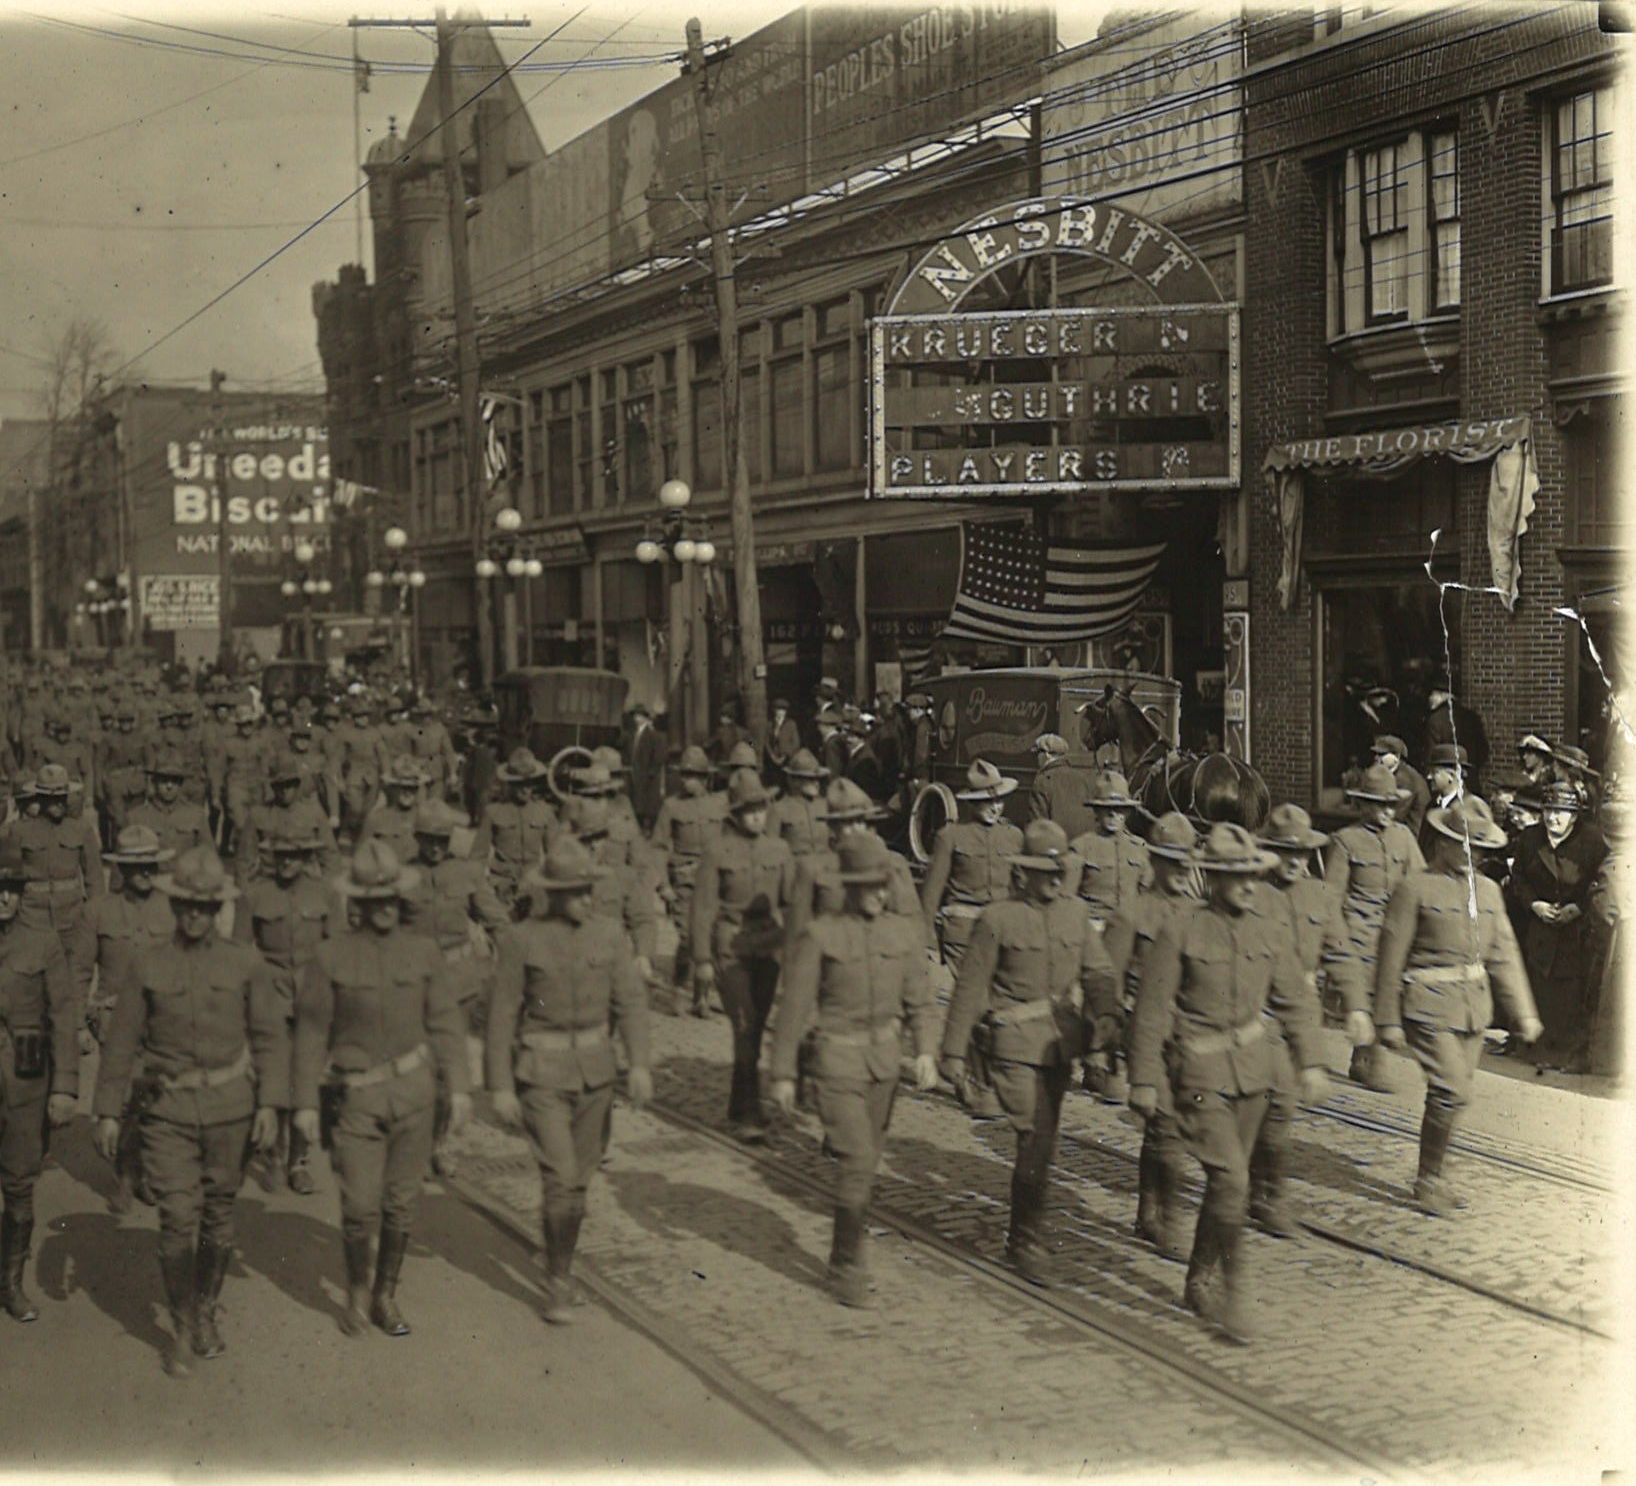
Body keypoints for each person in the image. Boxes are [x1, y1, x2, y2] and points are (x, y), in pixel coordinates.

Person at [92, 847, 288, 1376]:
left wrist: (271, 1101)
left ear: (219, 907)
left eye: (205, 907)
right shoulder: (148, 963)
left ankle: (204, 1309)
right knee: (178, 1215)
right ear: (174, 905)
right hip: (168, 1110)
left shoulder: (245, 963)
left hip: (230, 1109)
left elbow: (270, 1038)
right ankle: (180, 1324)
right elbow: (121, 1042)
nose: (195, 916)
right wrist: (108, 1110)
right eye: (186, 906)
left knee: (220, 1215)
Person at [1128, 824, 1327, 1344]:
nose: (1248, 884)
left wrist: (1311, 1060)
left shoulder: (1268, 928)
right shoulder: (1182, 930)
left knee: (1225, 1184)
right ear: (1212, 879)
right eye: (1236, 876)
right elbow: (1150, 1010)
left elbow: (1294, 999)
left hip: (1254, 1075)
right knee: (1234, 1181)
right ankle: (1235, 1296)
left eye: (1253, 875)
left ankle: (1199, 1276)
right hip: (1198, 1075)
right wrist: (1145, 1079)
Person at [291, 841, 469, 1338]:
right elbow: (310, 1032)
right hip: (355, 1099)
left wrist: (459, 1087)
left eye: (392, 897)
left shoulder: (423, 951)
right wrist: (304, 1101)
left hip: (414, 1093)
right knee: (360, 1205)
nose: (386, 907)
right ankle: (355, 1288)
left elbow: (445, 1021)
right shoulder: (330, 957)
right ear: (359, 904)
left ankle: (385, 1294)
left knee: (401, 1202)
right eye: (376, 899)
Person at [940, 820, 1117, 1287]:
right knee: (1034, 1136)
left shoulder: (1076, 916)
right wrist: (953, 1054)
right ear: (1025, 873)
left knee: (1045, 1139)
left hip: (1059, 1044)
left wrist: (1106, 1014)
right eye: (1046, 871)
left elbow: (1098, 972)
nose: (1057, 878)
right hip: (1014, 1045)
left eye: (1061, 869)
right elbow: (970, 987)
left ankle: (1024, 1229)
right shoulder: (997, 920)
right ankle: (1025, 1241)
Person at [769, 833, 940, 1307]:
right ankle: (848, 1264)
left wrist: (925, 1050)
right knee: (859, 1159)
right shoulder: (820, 936)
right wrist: (782, 1072)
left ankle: (844, 1251)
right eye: (868, 885)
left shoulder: (901, 935)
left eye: (883, 885)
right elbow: (794, 1008)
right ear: (848, 885)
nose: (879, 893)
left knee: (867, 1164)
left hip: (884, 1065)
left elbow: (919, 1000)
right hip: (837, 1063)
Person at [489, 837, 652, 1323]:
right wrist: (499, 1085)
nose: (588, 898)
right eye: (578, 891)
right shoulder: (522, 940)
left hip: (597, 1074)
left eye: (590, 889)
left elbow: (630, 1002)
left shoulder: (609, 936)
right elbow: (501, 1014)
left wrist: (639, 1063)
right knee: (560, 1176)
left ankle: (561, 1259)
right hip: (542, 1074)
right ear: (555, 894)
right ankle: (557, 1280)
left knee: (578, 1181)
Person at [1375, 796, 1542, 1213]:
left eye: (1481, 849)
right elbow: (1391, 956)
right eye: (1464, 845)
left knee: (1451, 1094)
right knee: (1452, 1087)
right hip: (1426, 1008)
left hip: (1472, 1010)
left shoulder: (1487, 891)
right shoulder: (1414, 887)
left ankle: (1432, 1176)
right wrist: (1387, 1020)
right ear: (1443, 844)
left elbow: (1503, 951)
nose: (1473, 855)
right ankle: (1429, 1181)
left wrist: (1523, 1012)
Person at [1101, 812, 1198, 1259]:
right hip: (1142, 1028)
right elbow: (1108, 979)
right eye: (1172, 862)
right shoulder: (1131, 913)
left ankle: (1147, 1211)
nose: (1182, 871)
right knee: (1168, 1125)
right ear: (1155, 863)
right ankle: (1171, 1223)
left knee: (1164, 1125)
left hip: (1188, 1033)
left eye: (1187, 862)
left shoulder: (1198, 913)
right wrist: (1108, 1040)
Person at [1252, 805, 1350, 1238]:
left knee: (1278, 1108)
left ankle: (1266, 1194)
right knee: (1268, 1105)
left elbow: (1340, 953)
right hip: (1257, 1015)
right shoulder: (1249, 893)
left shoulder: (1321, 897)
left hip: (1299, 1014)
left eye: (1302, 854)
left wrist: (1359, 1008)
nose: (1293, 862)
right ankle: (1258, 1190)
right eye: (1282, 852)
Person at [692, 768, 796, 1141]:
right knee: (745, 1025)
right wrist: (702, 959)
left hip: (768, 949)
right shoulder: (716, 851)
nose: (757, 816)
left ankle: (740, 1104)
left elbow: (791, 901)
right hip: (731, 948)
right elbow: (703, 907)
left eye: (761, 808)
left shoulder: (779, 850)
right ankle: (750, 1115)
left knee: (755, 1024)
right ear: (734, 814)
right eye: (749, 810)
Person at [919, 759, 1024, 1118]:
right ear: (972, 802)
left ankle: (986, 1076)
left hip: (1003, 932)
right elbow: (932, 893)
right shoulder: (951, 838)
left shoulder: (1014, 837)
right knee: (977, 1006)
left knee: (999, 1007)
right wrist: (927, 943)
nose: (994, 807)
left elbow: (1020, 891)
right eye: (985, 801)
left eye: (999, 800)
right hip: (963, 934)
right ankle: (973, 1082)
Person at [233, 827, 334, 1195]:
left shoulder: (324, 894)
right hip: (270, 993)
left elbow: (336, 948)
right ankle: (275, 1155)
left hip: (312, 993)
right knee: (272, 1074)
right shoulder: (255, 894)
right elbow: (240, 951)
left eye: (296, 853)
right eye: (281, 853)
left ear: (308, 855)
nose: (288, 860)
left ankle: (300, 1160)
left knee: (307, 1076)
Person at [0, 841, 76, 1323]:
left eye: (11, 889)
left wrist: (65, 1086)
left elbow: (64, 1015)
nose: (3, 899)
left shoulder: (43, 941)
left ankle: (10, 1283)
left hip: (25, 1074)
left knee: (20, 1180)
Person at [1324, 762, 1425, 1093]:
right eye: (1379, 805)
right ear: (1364, 805)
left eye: (1391, 805)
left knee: (1393, 986)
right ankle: (1369, 1061)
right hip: (1361, 929)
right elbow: (1332, 897)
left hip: (1394, 928)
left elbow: (1420, 882)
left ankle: (1364, 1058)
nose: (1386, 812)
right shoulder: (1345, 841)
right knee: (1368, 989)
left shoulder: (1405, 837)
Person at [1505, 783, 1607, 1073]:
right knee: (1540, 983)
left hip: (1576, 930)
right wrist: (1534, 904)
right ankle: (1539, 1047)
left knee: (1571, 989)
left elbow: (1600, 881)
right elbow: (1519, 878)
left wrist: (1578, 908)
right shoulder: (1529, 839)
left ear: (1574, 817)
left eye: (1561, 812)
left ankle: (1568, 1051)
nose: (1552, 818)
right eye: (1548, 811)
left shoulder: (1592, 841)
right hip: (1540, 927)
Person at [1066, 770, 1152, 1099]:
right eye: (1107, 810)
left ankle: (1116, 1057)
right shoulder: (1082, 847)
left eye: (1119, 810)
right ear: (1097, 812)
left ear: (1127, 812)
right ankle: (1094, 1061)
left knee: (1128, 996)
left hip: (1129, 931)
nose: (1114, 816)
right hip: (1095, 928)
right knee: (1095, 995)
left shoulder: (1140, 849)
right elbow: (1070, 898)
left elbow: (1147, 895)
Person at [4, 763, 103, 1022]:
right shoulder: (19, 831)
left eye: (61, 796)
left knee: (72, 979)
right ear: (39, 797)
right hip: (32, 916)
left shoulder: (81, 830)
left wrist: (95, 919)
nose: (58, 803)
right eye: (51, 797)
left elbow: (94, 879)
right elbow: (6, 880)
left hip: (72, 916)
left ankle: (69, 1034)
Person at [650, 746, 727, 1015]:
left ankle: (702, 996)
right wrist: (663, 885)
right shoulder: (671, 806)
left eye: (693, 775)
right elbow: (658, 846)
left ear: (705, 778)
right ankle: (677, 991)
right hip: (684, 881)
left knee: (712, 937)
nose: (687, 780)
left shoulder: (720, 804)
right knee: (686, 938)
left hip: (715, 881)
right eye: (684, 775)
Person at [235, 753, 338, 883]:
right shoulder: (259, 815)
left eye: (289, 784)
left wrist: (326, 893)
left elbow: (331, 858)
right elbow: (244, 861)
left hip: (305, 883)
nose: (284, 790)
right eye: (279, 785)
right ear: (272, 786)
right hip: (270, 882)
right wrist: (246, 896)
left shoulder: (314, 813)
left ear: (297, 784)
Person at [475, 748, 558, 908]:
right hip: (500, 886)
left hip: (533, 886)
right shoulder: (493, 811)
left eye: (529, 783)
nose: (525, 789)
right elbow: (477, 857)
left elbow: (555, 854)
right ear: (510, 783)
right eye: (519, 783)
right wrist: (482, 891)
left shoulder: (545, 811)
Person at [128, 753, 212, 863]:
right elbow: (122, 865)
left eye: (174, 780)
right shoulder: (136, 817)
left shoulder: (196, 815)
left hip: (184, 878)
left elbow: (210, 858)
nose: (169, 786)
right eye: (164, 780)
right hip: (151, 878)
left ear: (181, 783)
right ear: (154, 781)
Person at [358, 754, 430, 865]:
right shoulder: (376, 818)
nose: (407, 792)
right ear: (392, 788)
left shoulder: (425, 817)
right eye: (402, 787)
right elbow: (361, 858)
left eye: (412, 788)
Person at [1421, 671, 1490, 778]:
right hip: (1469, 779)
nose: (1429, 698)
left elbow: (1430, 755)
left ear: (1442, 695)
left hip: (1445, 779)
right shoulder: (1472, 717)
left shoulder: (1435, 720)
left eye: (1432, 694)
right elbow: (1483, 751)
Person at [766, 749, 829, 858]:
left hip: (827, 869)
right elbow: (771, 849)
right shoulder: (778, 809)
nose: (816, 784)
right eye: (810, 779)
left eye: (817, 779)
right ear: (794, 780)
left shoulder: (825, 806)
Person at [1028, 734, 1091, 838]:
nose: (1036, 759)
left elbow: (1037, 825)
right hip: (1080, 847)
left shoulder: (1042, 781)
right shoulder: (1082, 778)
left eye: (1037, 754)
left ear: (1046, 754)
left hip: (1054, 846)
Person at [1371, 734, 1430, 838]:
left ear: (1396, 757)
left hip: (1410, 835)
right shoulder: (1394, 773)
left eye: (1382, 754)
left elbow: (1395, 814)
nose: (1376, 758)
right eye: (1376, 754)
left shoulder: (1405, 779)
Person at [626, 703, 665, 834]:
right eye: (635, 715)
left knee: (648, 804)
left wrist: (651, 773)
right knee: (637, 803)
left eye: (639, 715)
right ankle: (639, 829)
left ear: (645, 718)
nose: (636, 718)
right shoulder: (632, 735)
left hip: (648, 776)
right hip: (635, 774)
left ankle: (649, 830)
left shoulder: (653, 735)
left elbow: (658, 757)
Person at [764, 699, 801, 787]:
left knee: (784, 781)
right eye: (778, 710)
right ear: (774, 711)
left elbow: (796, 743)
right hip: (772, 759)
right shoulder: (769, 724)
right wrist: (772, 756)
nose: (780, 713)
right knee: (772, 781)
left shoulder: (791, 724)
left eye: (783, 710)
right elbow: (766, 742)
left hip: (786, 759)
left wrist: (785, 756)